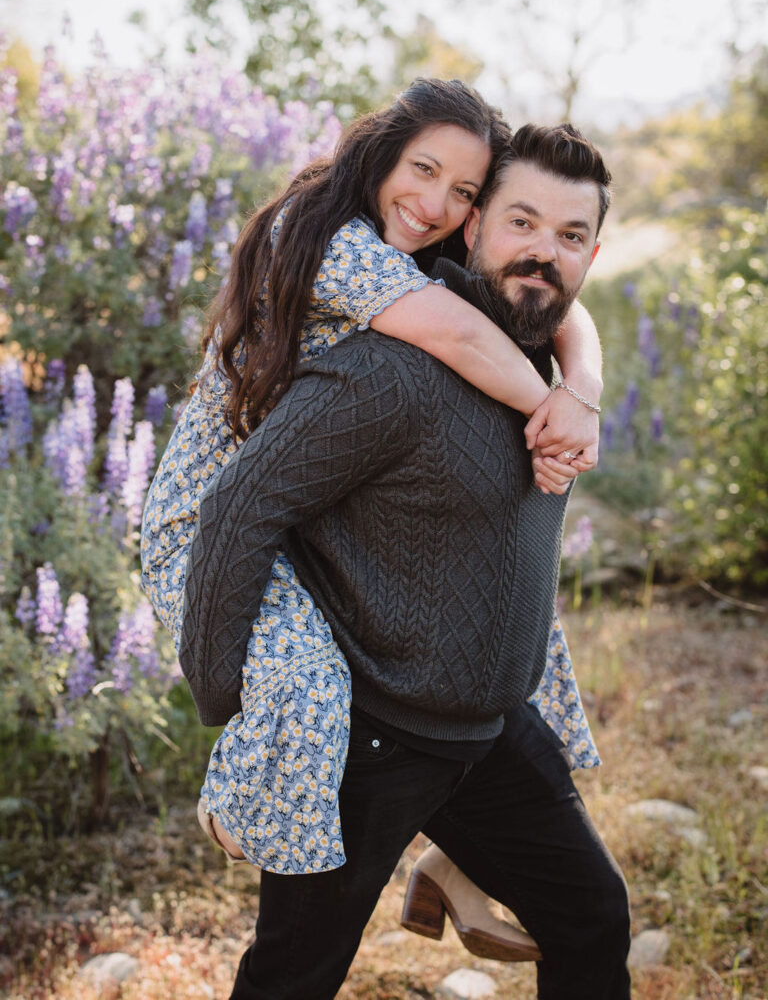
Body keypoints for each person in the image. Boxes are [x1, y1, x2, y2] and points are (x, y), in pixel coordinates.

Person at [181, 122, 632, 1000]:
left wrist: (584, 385)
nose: (544, 252)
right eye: (522, 223)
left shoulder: (550, 372)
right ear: (473, 226)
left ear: (592, 253)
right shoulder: (392, 370)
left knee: (591, 916)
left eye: (570, 235)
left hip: (490, 732)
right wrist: (233, 706)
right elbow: (237, 509)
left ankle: (451, 860)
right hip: (371, 744)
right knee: (291, 980)